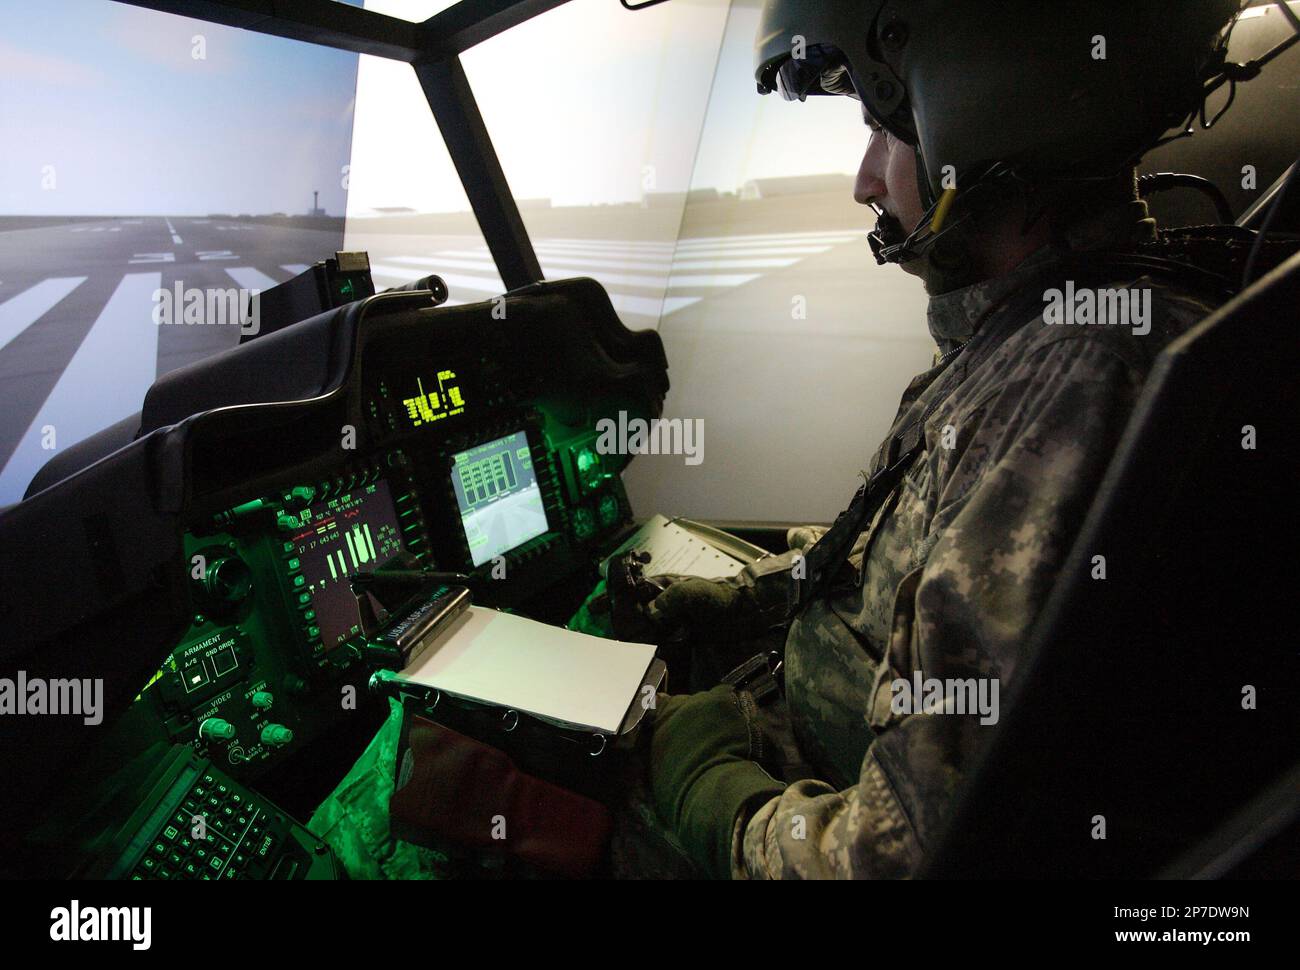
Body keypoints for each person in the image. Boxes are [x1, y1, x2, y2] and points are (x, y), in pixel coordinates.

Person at [625, 0, 1252, 879]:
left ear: (979, 112)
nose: (866, 182)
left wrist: (712, 800)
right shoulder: (1039, 335)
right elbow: (905, 559)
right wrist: (750, 598)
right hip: (809, 723)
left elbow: (898, 861)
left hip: (805, 804)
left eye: (884, 133)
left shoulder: (1073, 379)